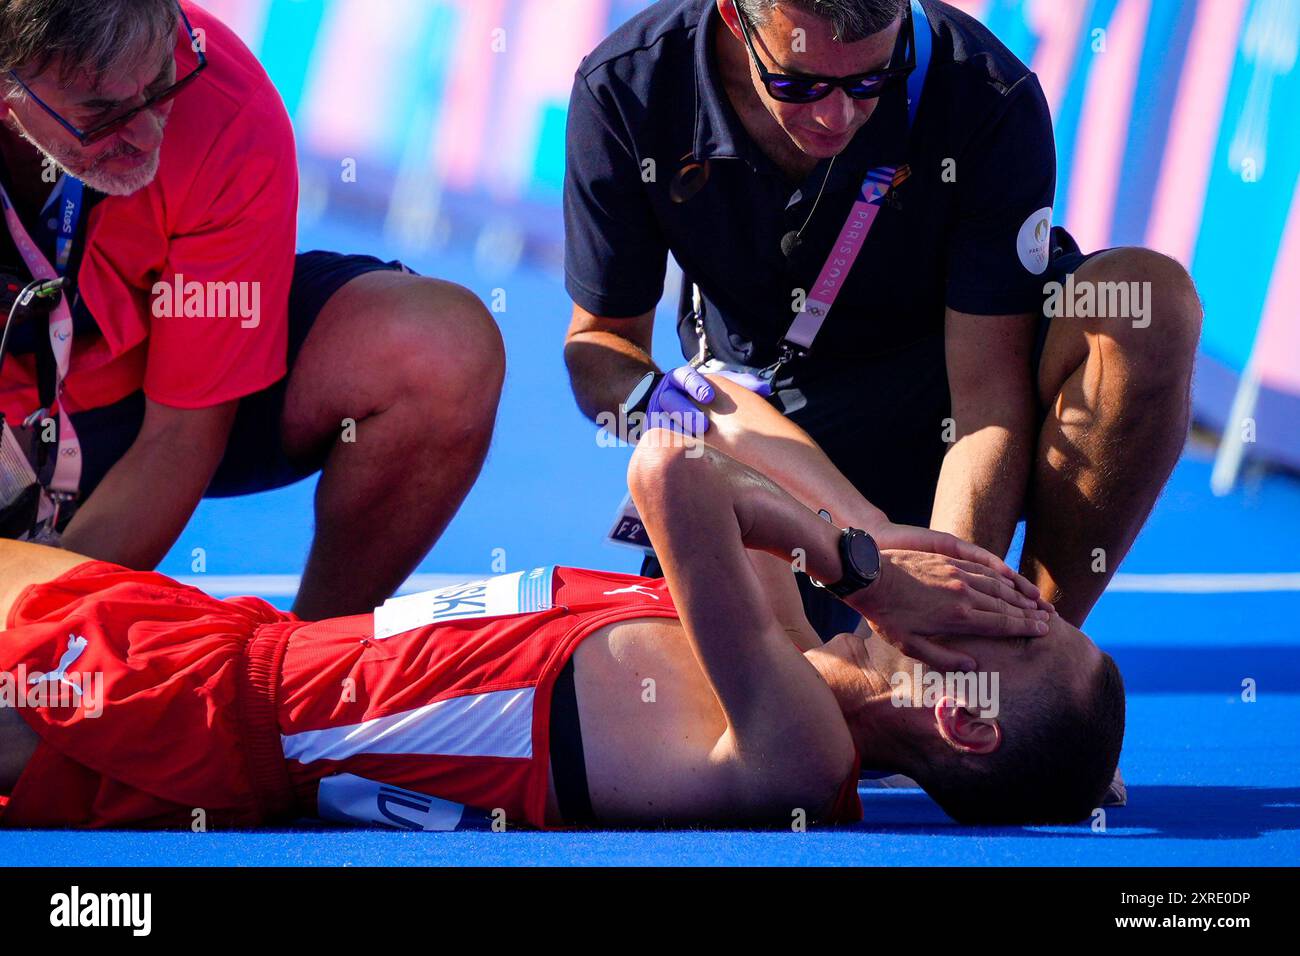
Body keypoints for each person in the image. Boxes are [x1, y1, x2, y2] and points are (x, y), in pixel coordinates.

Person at [0, 376, 1125, 830]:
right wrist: (866, 534)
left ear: (964, 718)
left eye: (1024, 625)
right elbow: (697, 399)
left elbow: (669, 474)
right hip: (226, 641)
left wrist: (861, 560)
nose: (996, 587)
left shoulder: (794, 751)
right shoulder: (783, 646)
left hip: (191, 728)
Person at [561, 0, 1202, 635]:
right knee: (753, 709)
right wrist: (693, 414)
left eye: (870, 81)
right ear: (734, 16)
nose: (835, 115)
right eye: (798, 83)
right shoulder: (627, 84)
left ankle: (1030, 647)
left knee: (1147, 302)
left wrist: (947, 628)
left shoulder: (985, 89)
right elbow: (600, 349)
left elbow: (986, 407)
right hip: (762, 418)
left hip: (955, 383)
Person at [0, 0, 504, 619]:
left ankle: (312, 686)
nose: (148, 135)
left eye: (161, 83)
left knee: (436, 347)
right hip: (14, 420)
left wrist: (32, 631)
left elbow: (179, 440)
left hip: (145, 415)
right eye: (102, 112)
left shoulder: (222, 98)